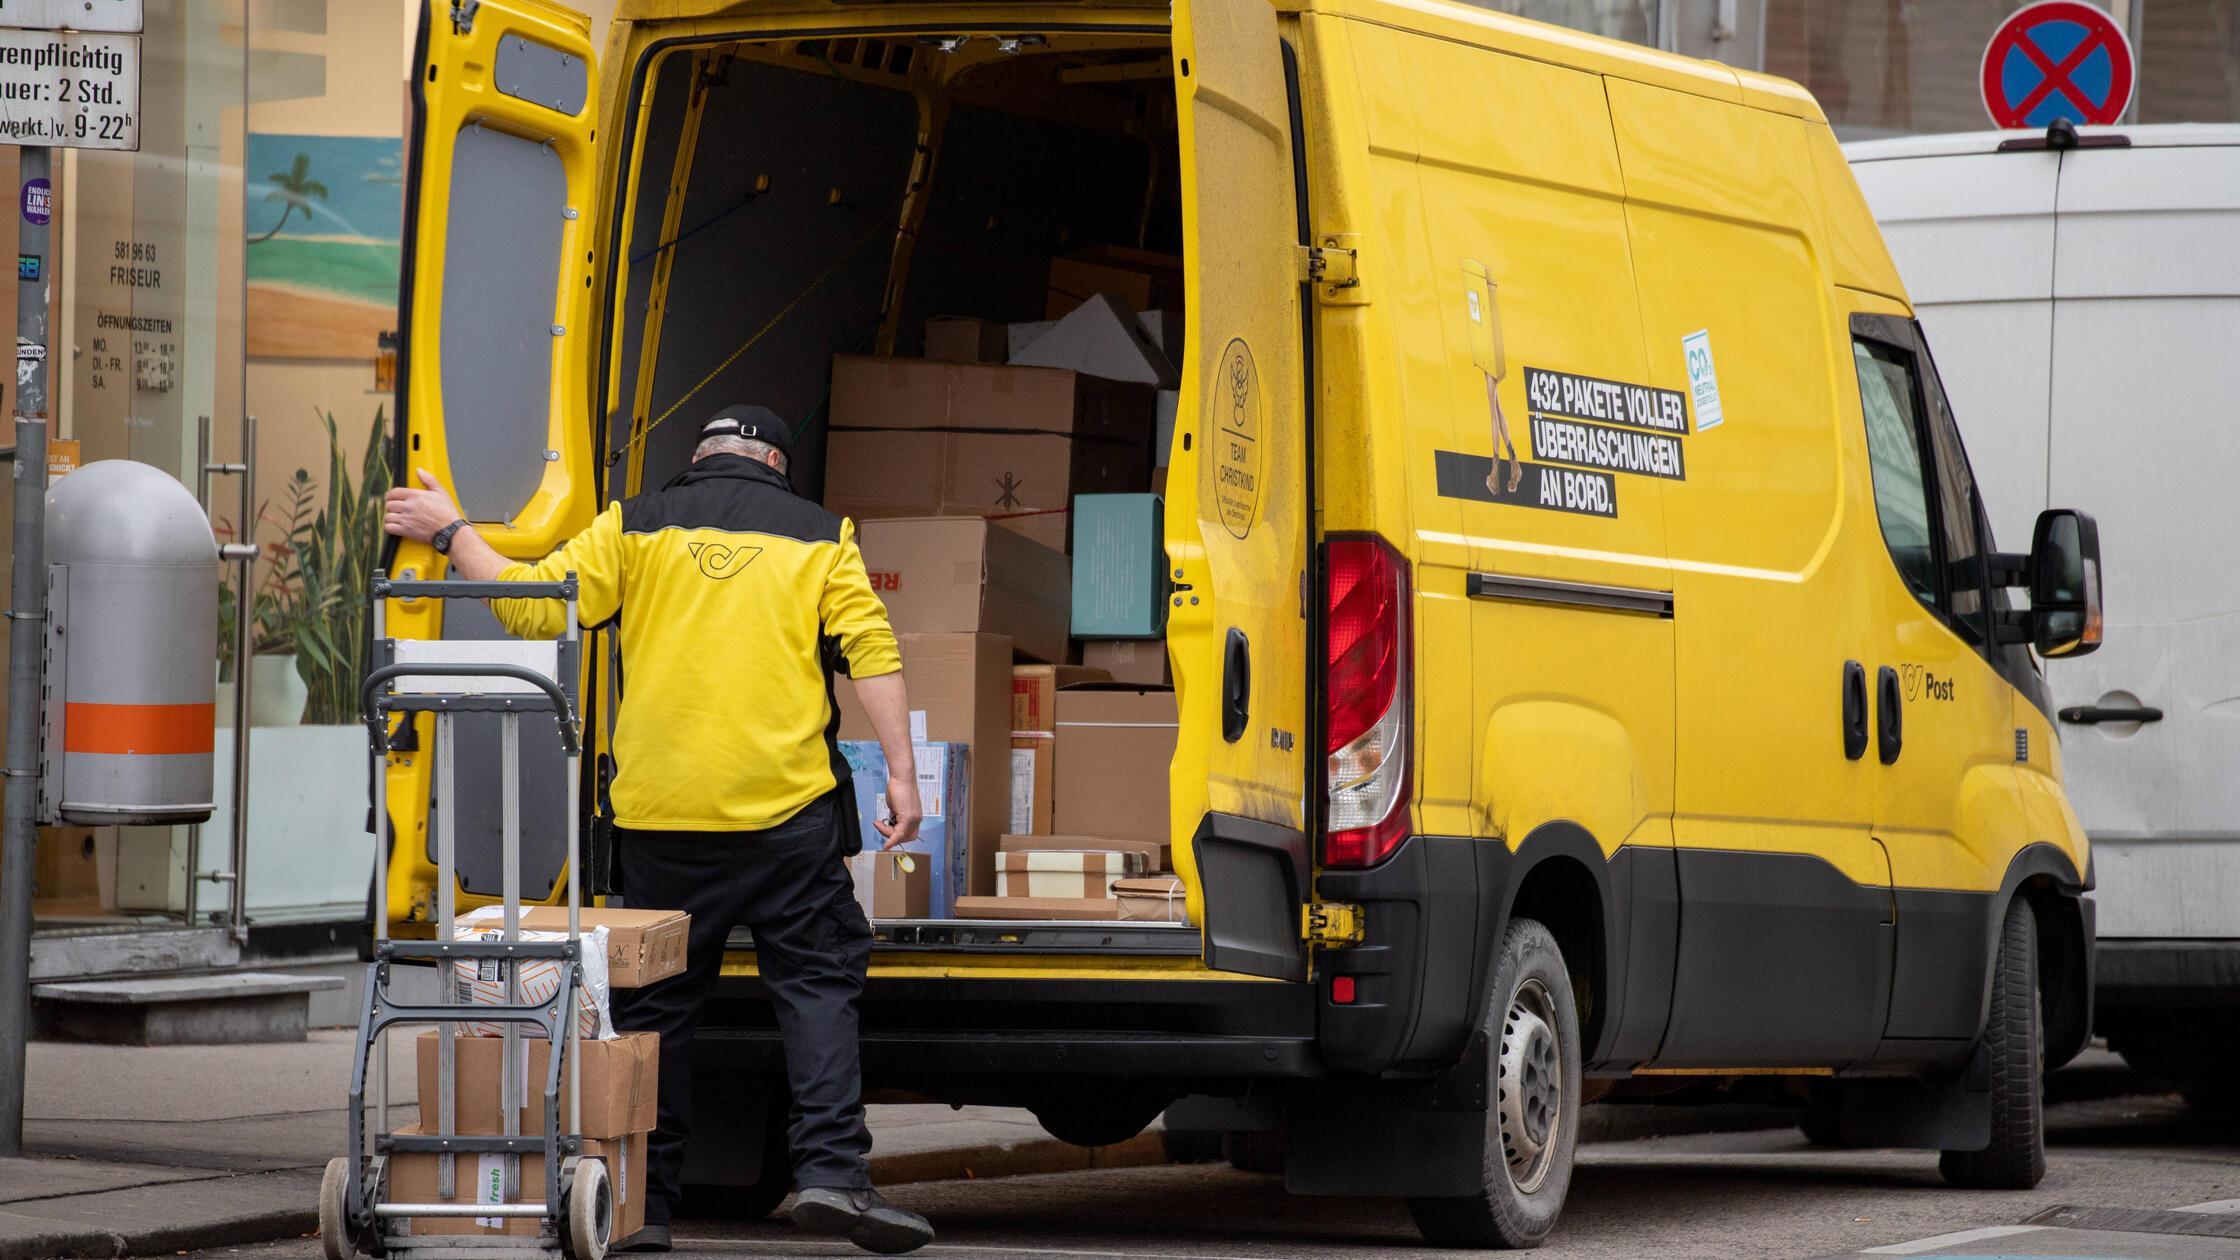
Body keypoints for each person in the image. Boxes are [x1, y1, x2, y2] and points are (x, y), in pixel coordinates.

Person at [383, 405, 936, 1255]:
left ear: (698, 458)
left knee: (659, 1011)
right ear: (777, 464)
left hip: (660, 819)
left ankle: (648, 1205)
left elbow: (536, 609)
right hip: (786, 815)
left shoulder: (633, 525)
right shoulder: (823, 535)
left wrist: (451, 529)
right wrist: (900, 772)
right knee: (818, 986)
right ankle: (831, 1173)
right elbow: (872, 651)